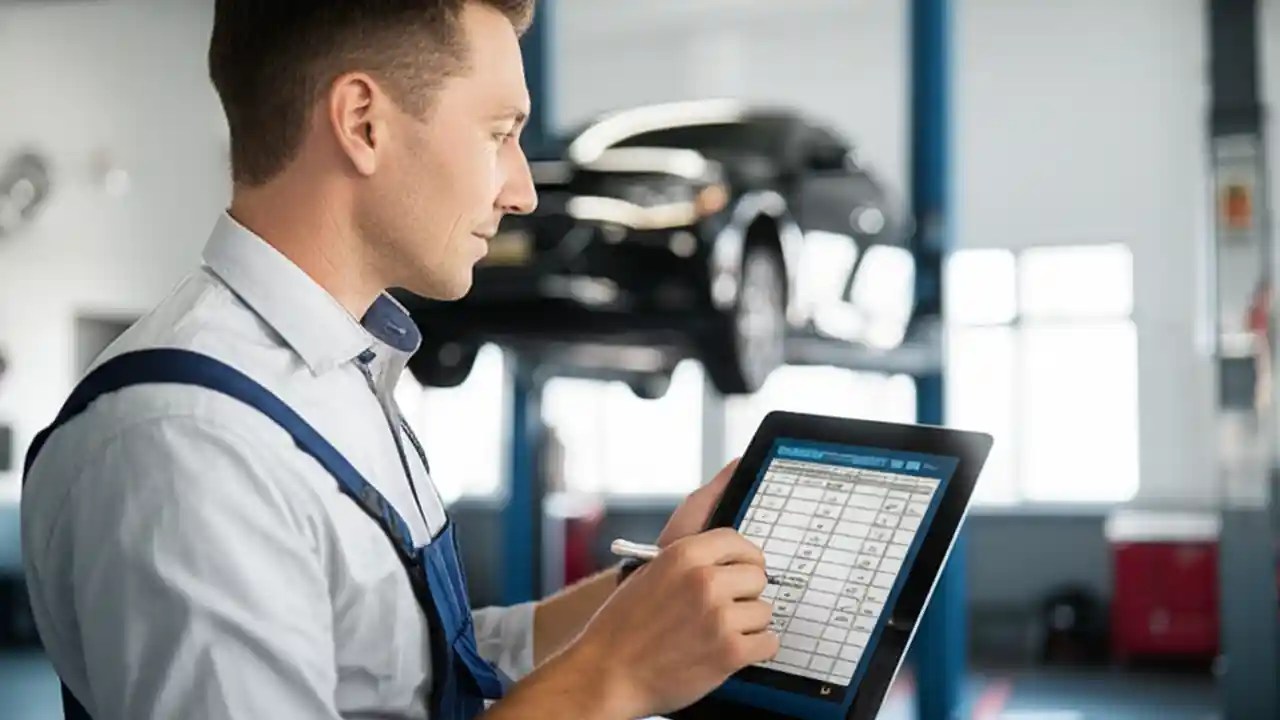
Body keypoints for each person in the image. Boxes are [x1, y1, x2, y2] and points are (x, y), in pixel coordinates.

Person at [18, 2, 780, 719]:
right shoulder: (189, 444)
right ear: (363, 123)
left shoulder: (330, 380)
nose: (521, 191)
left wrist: (647, 595)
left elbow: (417, 674)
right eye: (499, 134)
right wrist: (616, 674)